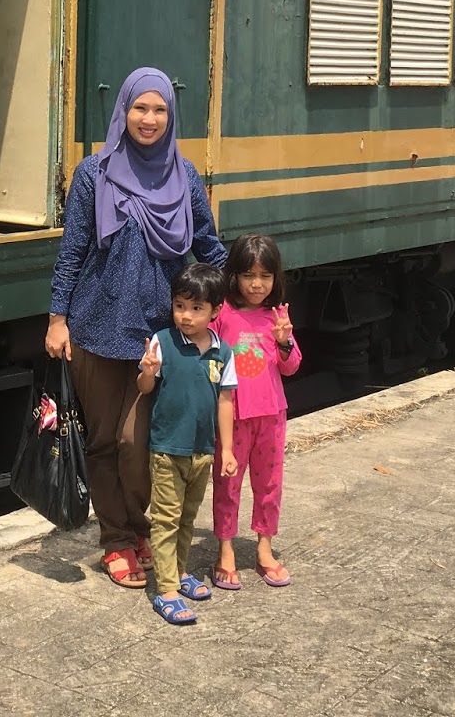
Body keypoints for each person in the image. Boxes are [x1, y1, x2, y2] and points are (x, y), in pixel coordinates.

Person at [47, 67, 227, 589]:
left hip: (161, 334)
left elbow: (207, 247)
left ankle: (135, 525)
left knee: (140, 443)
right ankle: (119, 540)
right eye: (139, 108)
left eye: (160, 110)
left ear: (171, 117)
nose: (148, 119)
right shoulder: (93, 173)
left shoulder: (187, 176)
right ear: (123, 110)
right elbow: (72, 251)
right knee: (106, 443)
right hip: (97, 328)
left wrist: (254, 291)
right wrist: (58, 319)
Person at [136, 262, 237, 625]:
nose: (186, 315)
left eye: (196, 308)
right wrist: (147, 372)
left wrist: (226, 450)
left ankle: (178, 573)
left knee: (187, 517)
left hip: (202, 450)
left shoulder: (223, 353)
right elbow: (145, 389)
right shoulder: (161, 342)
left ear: (215, 311)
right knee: (165, 519)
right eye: (180, 306)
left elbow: (226, 401)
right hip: (167, 448)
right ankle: (165, 591)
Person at [210, 233, 301, 589]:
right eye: (248, 275)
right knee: (227, 483)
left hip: (271, 415)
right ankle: (226, 547)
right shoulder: (223, 316)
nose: (257, 284)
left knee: (269, 484)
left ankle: (265, 547)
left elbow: (292, 365)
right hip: (232, 417)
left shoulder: (277, 317)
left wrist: (284, 341)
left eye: (265, 276)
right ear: (233, 276)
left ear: (276, 278)